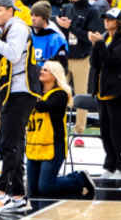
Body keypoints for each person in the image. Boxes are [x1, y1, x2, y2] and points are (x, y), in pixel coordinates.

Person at [0, 0, 40, 216]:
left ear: (10, 10)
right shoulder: (4, 31)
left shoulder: (18, 28)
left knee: (7, 143)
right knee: (13, 144)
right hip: (9, 92)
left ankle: (2, 192)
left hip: (22, 91)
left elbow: (13, 55)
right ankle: (19, 197)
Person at [25, 60, 97, 199]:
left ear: (55, 75)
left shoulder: (60, 95)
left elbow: (43, 106)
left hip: (53, 146)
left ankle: (79, 178)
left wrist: (27, 95)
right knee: (33, 191)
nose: (41, 71)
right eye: (42, 69)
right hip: (34, 145)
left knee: (46, 188)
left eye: (46, 70)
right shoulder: (36, 93)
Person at [89, 7, 121, 180]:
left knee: (117, 131)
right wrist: (96, 45)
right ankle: (109, 163)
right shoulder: (105, 37)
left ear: (118, 22)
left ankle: (120, 166)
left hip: (117, 91)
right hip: (102, 91)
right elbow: (95, 62)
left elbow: (113, 60)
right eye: (105, 18)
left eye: (110, 19)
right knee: (105, 132)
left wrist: (99, 44)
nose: (106, 21)